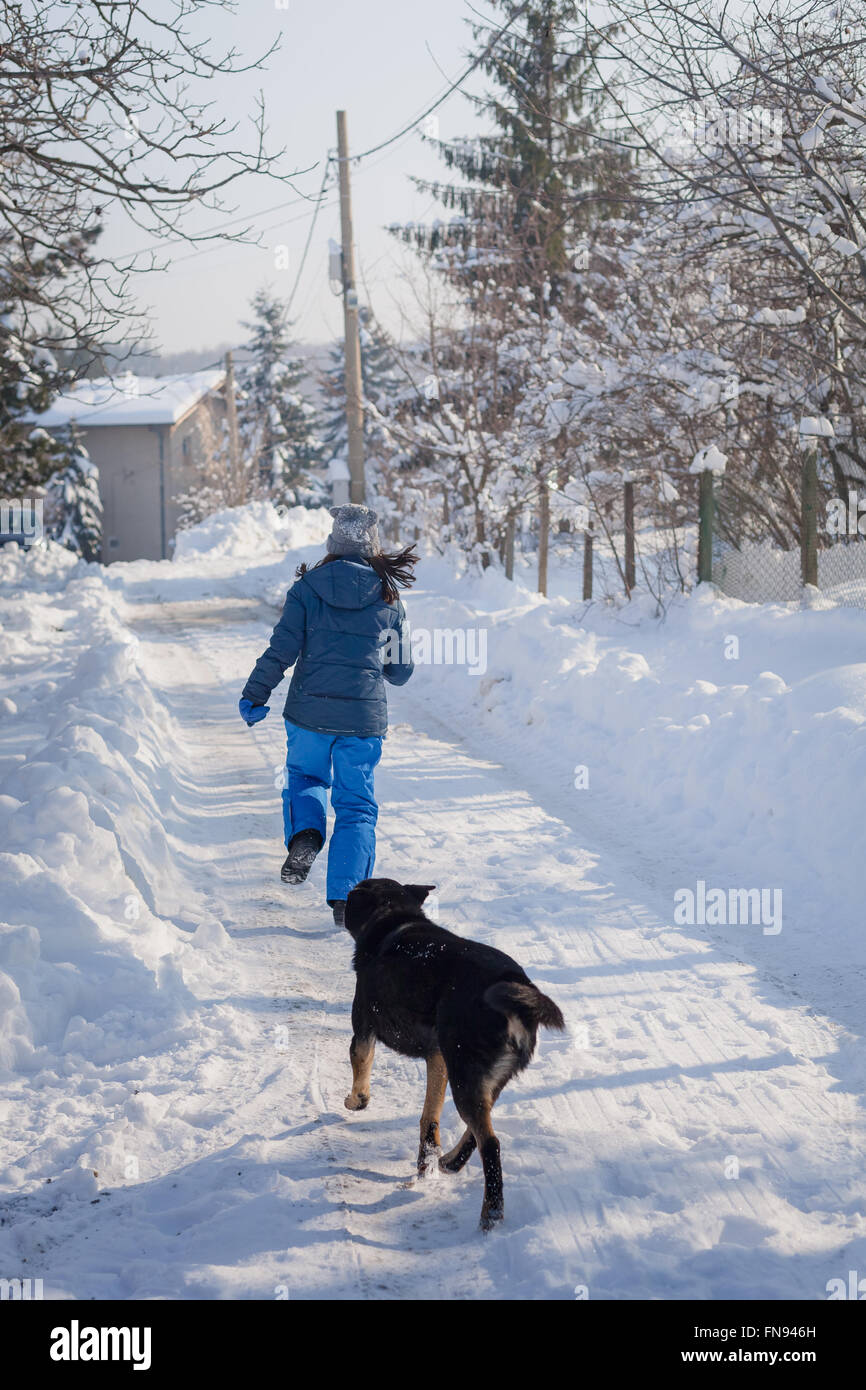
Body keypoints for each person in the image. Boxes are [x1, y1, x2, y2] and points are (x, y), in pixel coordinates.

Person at [239, 504, 416, 926]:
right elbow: (400, 671)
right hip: (362, 723)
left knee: (305, 779)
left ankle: (305, 836)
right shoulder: (389, 598)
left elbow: (281, 649)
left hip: (308, 716)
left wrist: (255, 693)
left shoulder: (307, 588)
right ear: (371, 548)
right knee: (356, 808)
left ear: (333, 544)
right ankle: (347, 899)